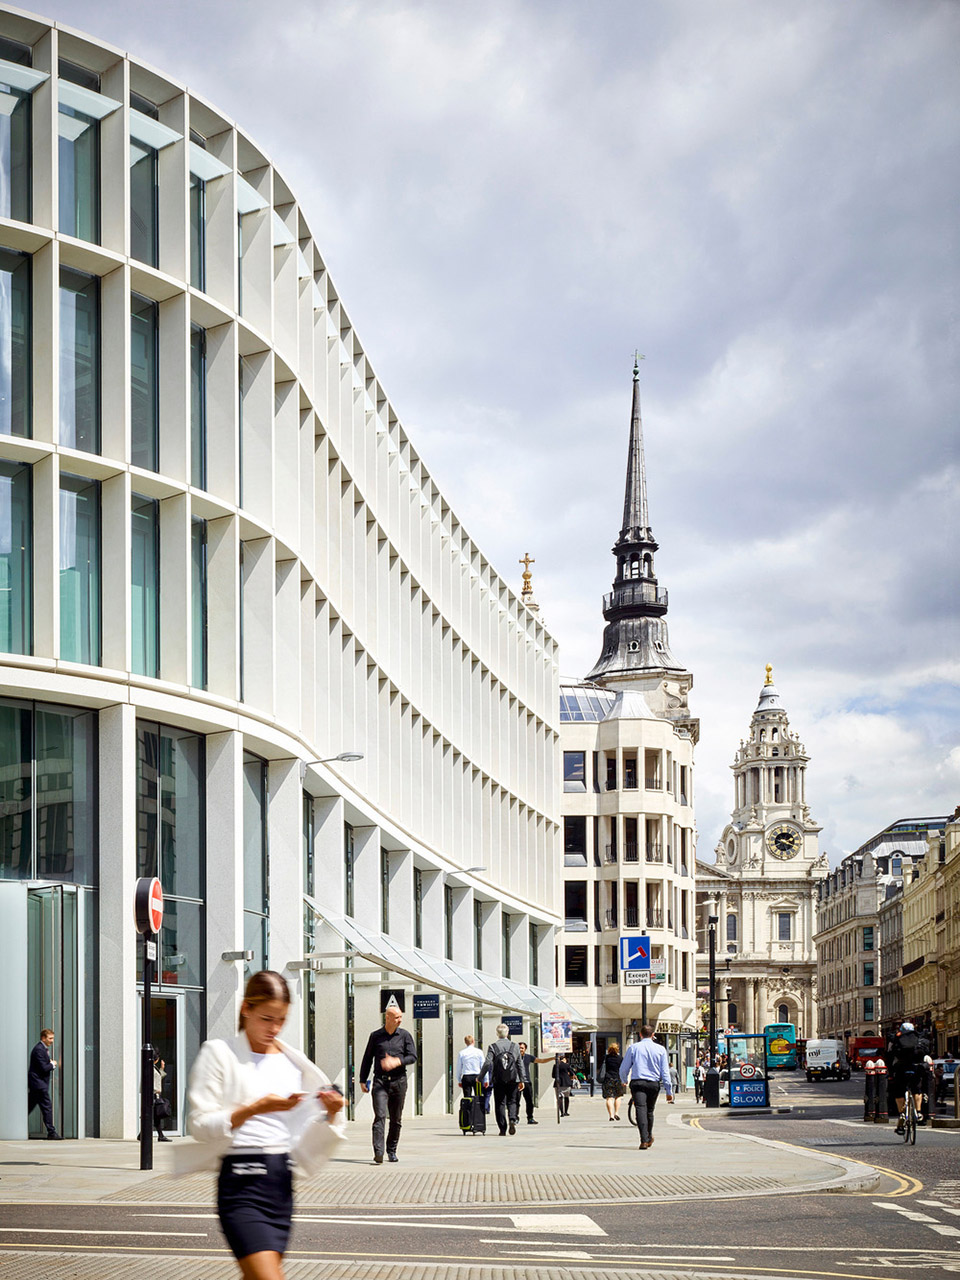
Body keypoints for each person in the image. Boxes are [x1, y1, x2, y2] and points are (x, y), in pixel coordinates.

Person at [181, 969, 345, 1280]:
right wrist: (255, 1109)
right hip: (241, 1184)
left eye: (281, 1020)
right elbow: (200, 1124)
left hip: (280, 1185)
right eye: (266, 1019)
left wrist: (332, 1112)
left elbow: (304, 1136)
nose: (275, 1028)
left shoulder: (291, 1062)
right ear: (246, 1009)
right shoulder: (219, 1053)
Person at [359, 1003, 417, 1163]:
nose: (400, 1020)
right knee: (380, 1116)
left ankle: (392, 1150)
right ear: (388, 1017)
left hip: (399, 1082)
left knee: (396, 1119)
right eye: (397, 1017)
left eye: (400, 1017)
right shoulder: (375, 1036)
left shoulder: (405, 1036)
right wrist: (362, 1080)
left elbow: (413, 1056)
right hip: (380, 1083)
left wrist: (397, 1061)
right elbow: (367, 1059)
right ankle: (379, 1152)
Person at [619, 1024, 674, 1150]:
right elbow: (665, 1072)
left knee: (640, 1109)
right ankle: (648, 1136)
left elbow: (623, 1067)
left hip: (638, 1083)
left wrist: (623, 1080)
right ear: (653, 1035)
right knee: (649, 1110)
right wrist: (669, 1090)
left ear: (640, 1034)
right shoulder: (660, 1050)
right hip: (653, 1084)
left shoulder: (633, 1048)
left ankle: (644, 1140)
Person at [483, 1024, 522, 1135]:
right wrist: (522, 1080)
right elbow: (520, 1064)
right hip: (513, 1079)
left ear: (497, 1033)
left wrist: (480, 1077)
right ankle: (512, 1119)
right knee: (512, 1101)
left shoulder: (493, 1047)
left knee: (500, 1103)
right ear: (507, 1033)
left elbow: (487, 1063)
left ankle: (502, 1128)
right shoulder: (515, 1046)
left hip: (498, 1079)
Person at [889, 1020, 924, 1135]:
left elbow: (891, 1055)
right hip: (915, 1067)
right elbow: (926, 1051)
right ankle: (918, 1112)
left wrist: (889, 1072)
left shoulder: (897, 1039)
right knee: (917, 1089)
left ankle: (902, 1113)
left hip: (901, 1068)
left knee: (898, 1091)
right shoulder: (918, 1038)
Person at [28, 1029, 62, 1140]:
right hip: (39, 1085)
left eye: (53, 1038)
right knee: (47, 1108)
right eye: (50, 1038)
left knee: (28, 1107)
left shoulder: (41, 1049)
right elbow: (43, 1068)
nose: (52, 1041)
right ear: (43, 1038)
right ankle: (51, 1132)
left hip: (37, 1085)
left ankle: (13, 1125)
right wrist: (52, 1064)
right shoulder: (39, 1050)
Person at [599, 1043, 625, 1121]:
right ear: (618, 1049)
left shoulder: (606, 1058)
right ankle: (616, 1113)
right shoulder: (620, 1058)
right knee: (618, 1096)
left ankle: (611, 1115)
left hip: (608, 1078)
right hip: (617, 1078)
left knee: (609, 1098)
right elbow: (623, 1069)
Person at [153, 1054, 171, 1142]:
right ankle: (161, 1136)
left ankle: (160, 1136)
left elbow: (157, 1078)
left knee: (155, 1116)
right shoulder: (150, 1068)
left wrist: (162, 1068)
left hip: (155, 1095)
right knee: (155, 1116)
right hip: (153, 1095)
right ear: (156, 1060)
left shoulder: (154, 1068)